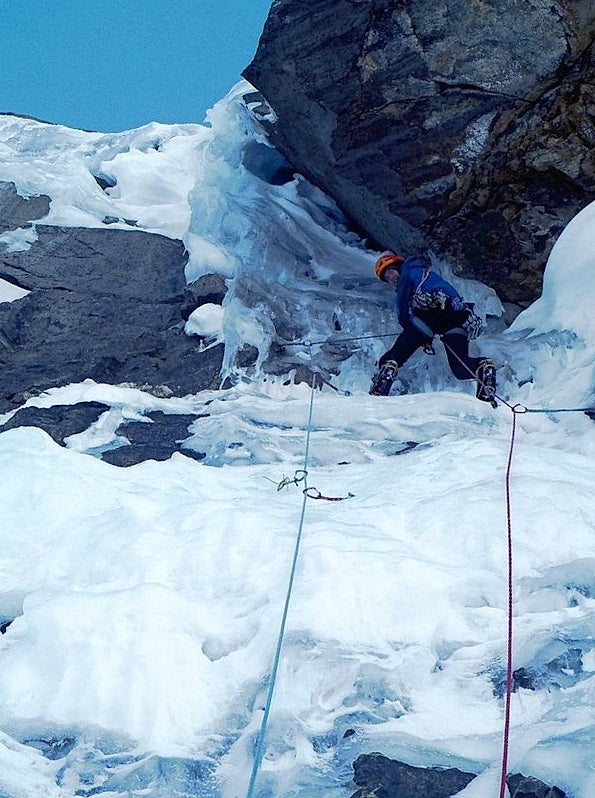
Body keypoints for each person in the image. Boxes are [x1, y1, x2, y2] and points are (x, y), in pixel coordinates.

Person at [370, 252, 496, 403]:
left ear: (398, 267)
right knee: (460, 368)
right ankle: (483, 368)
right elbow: (454, 300)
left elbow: (402, 310)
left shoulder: (408, 273)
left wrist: (409, 327)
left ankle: (384, 379)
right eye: (388, 279)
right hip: (457, 319)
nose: (391, 278)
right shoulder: (428, 274)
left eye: (390, 272)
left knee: (394, 356)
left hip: (428, 317)